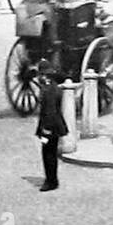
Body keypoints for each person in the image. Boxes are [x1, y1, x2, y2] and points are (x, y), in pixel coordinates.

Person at [35, 60, 67, 192]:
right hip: (54, 125)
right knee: (50, 153)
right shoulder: (53, 87)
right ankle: (52, 179)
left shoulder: (48, 90)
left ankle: (51, 181)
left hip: (50, 127)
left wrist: (46, 130)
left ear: (44, 75)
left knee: (48, 154)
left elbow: (50, 111)